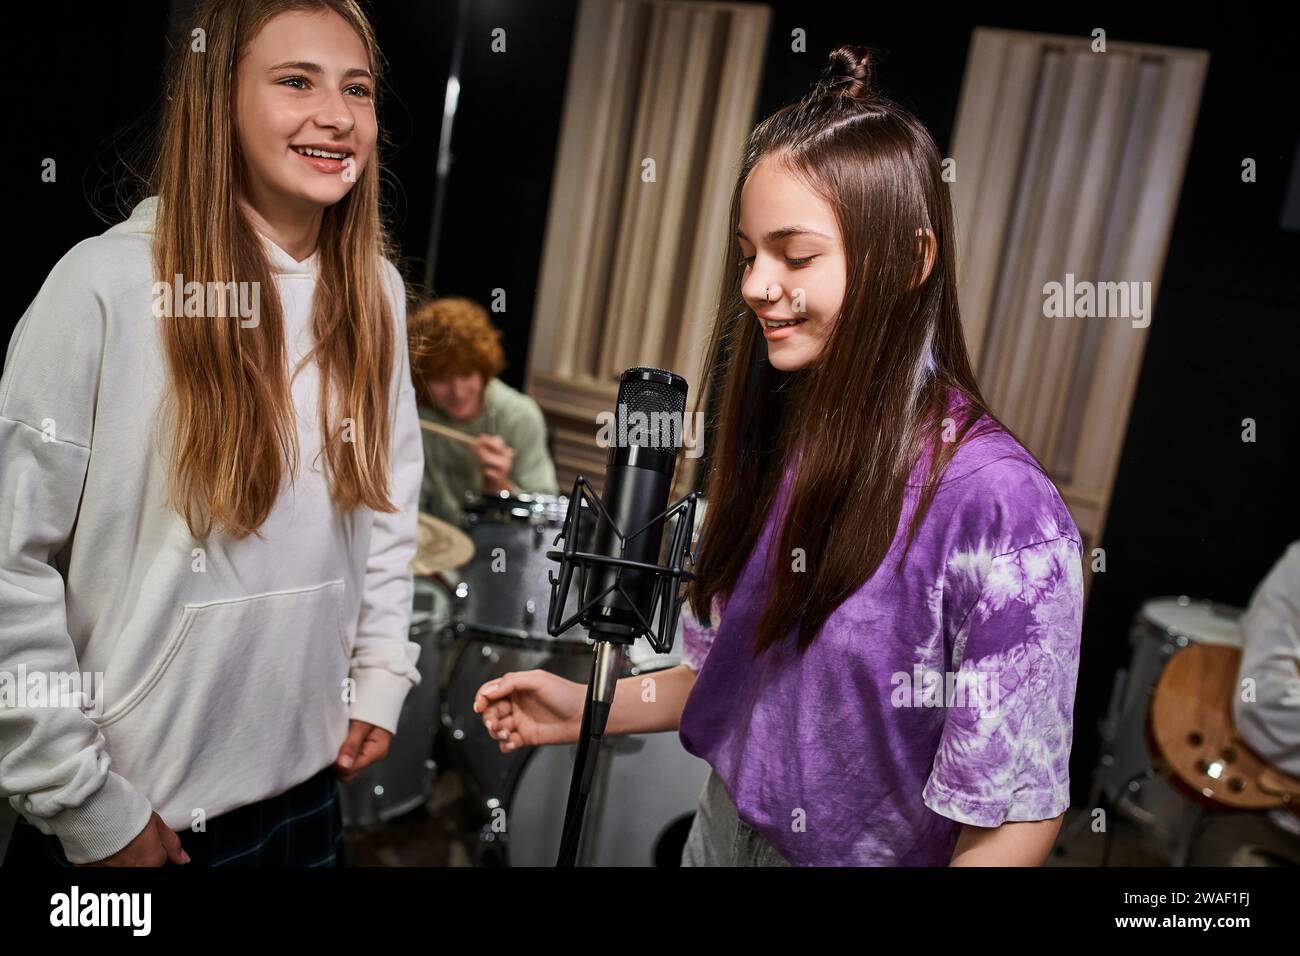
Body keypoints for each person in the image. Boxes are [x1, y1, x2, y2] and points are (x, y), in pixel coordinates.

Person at [472, 45, 1084, 866]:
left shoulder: (1000, 508)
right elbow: (738, 681)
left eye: (795, 256)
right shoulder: (788, 437)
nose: (758, 285)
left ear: (911, 260)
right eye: (748, 255)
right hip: (718, 834)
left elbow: (1013, 823)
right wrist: (589, 704)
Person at [0, 0, 421, 866]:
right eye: (295, 81)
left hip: (309, 791)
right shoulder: (103, 286)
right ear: (216, 99)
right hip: (135, 819)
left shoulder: (375, 292)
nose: (337, 117)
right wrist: (81, 799)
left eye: (358, 89)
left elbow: (388, 509)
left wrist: (380, 675)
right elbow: (10, 566)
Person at [407, 296, 558, 524]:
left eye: (466, 375)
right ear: (423, 379)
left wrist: (501, 488)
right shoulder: (414, 416)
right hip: (432, 547)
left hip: (503, 549)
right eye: (442, 379)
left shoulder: (519, 415)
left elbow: (547, 518)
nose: (457, 392)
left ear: (484, 371)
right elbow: (408, 508)